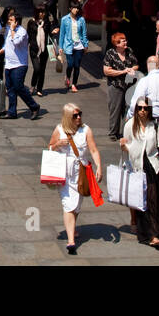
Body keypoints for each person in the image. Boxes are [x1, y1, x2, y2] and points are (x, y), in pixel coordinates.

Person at [46, 102, 102, 254]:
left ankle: (72, 227)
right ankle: (71, 241)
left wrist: (99, 167)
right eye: (75, 116)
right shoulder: (59, 129)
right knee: (68, 205)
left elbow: (93, 149)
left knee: (76, 204)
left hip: (81, 173)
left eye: (79, 114)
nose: (78, 117)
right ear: (67, 117)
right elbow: (49, 147)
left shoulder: (86, 130)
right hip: (64, 172)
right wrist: (57, 144)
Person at [120, 96, 159, 248]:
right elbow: (127, 145)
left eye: (146, 108)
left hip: (152, 166)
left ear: (150, 110)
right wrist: (123, 146)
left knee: (153, 200)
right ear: (136, 110)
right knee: (141, 201)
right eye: (140, 108)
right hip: (136, 166)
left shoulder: (156, 125)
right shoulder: (130, 125)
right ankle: (144, 230)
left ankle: (154, 235)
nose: (143, 111)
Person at [0, 10, 43, 120]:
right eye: (9, 20)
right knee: (10, 88)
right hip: (9, 64)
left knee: (18, 86)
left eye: (11, 20)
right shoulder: (9, 31)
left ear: (17, 22)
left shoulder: (22, 32)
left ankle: (34, 106)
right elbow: (8, 45)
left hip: (19, 65)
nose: (9, 22)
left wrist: (12, 30)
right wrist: (0, 51)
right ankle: (12, 111)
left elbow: (16, 42)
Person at [102, 31, 141, 140]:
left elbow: (136, 65)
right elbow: (106, 71)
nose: (125, 42)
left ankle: (126, 132)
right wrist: (123, 71)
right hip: (115, 85)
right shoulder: (110, 53)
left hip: (129, 85)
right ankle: (113, 133)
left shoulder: (129, 51)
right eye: (123, 41)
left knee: (128, 109)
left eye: (125, 40)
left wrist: (132, 69)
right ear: (117, 44)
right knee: (115, 109)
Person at [55, 2, 88, 92]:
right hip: (69, 45)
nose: (76, 10)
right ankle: (68, 76)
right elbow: (62, 34)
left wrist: (86, 45)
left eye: (77, 8)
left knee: (77, 66)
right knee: (70, 64)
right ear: (70, 8)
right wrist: (60, 47)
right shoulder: (65, 19)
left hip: (79, 46)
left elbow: (84, 33)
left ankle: (74, 84)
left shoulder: (81, 20)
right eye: (74, 8)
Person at [28, 5, 53, 97]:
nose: (41, 14)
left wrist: (53, 32)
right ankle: (32, 85)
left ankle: (39, 89)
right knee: (37, 68)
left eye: (43, 12)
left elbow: (50, 34)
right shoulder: (31, 22)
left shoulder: (47, 23)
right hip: (34, 49)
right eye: (39, 12)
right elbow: (28, 36)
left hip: (44, 49)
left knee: (42, 70)